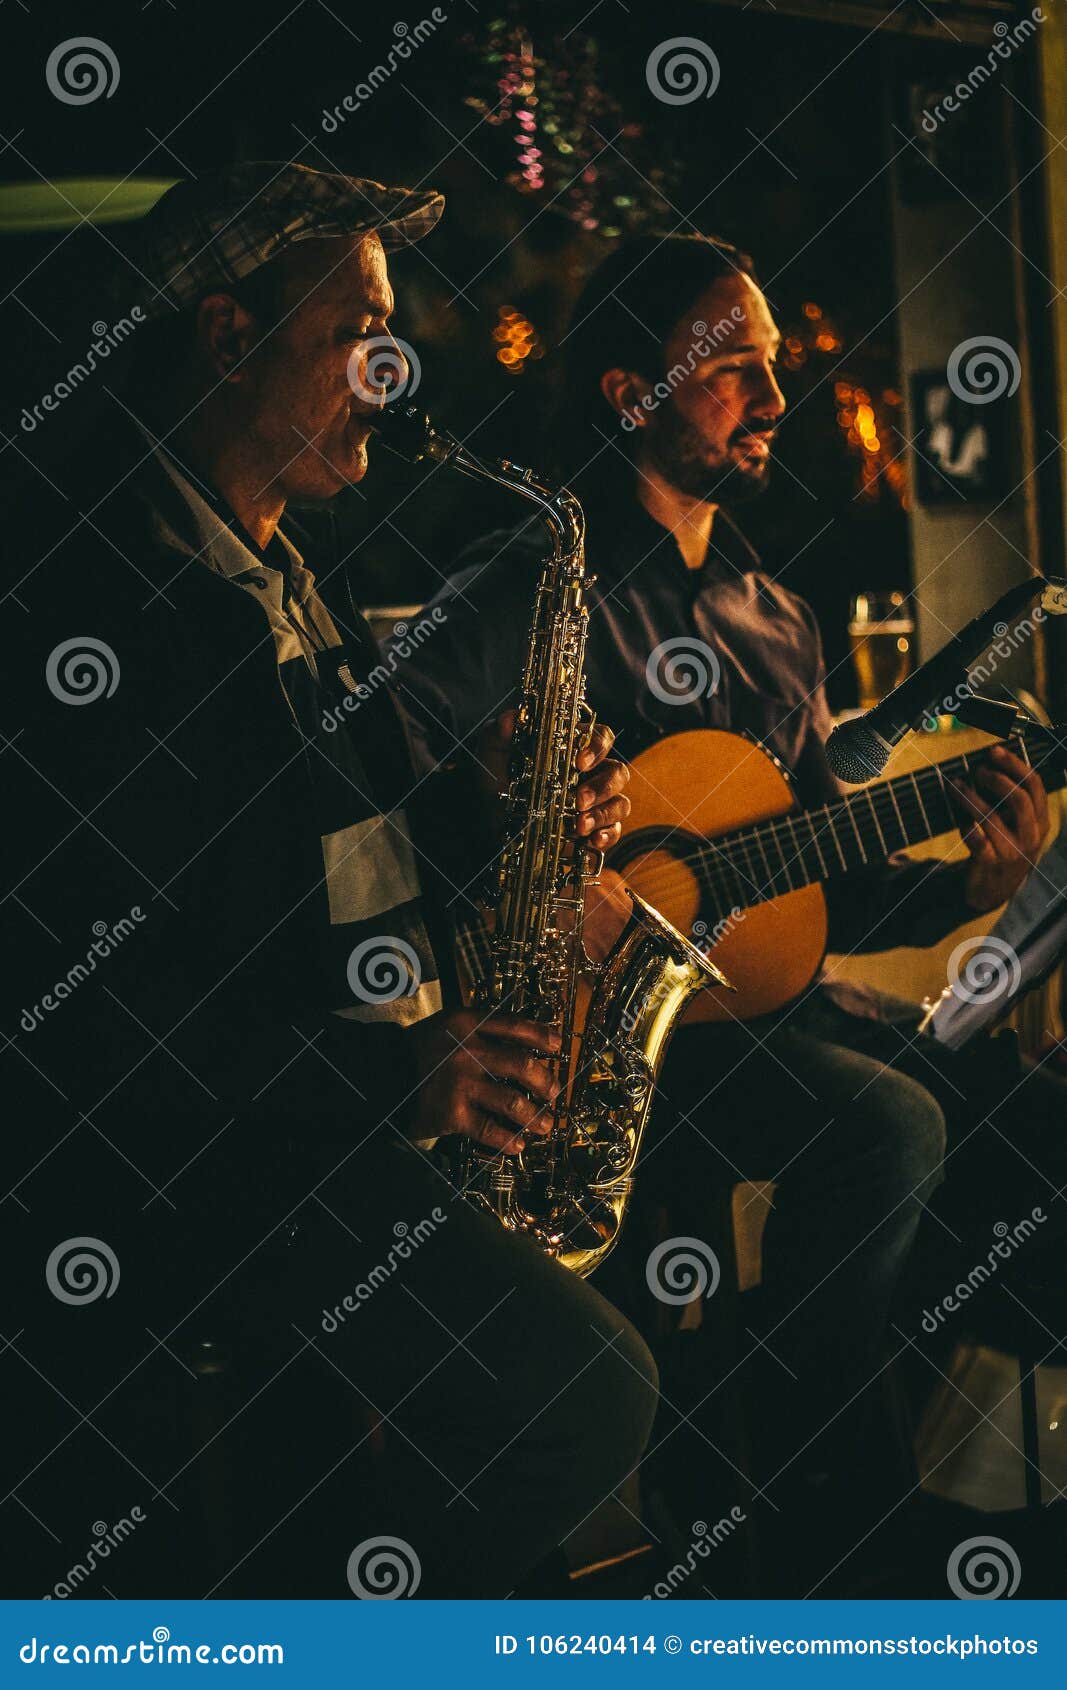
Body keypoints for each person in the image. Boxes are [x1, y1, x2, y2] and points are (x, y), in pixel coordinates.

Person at [0, 164, 658, 1600]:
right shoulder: (108, 616)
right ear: (229, 335)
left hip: (346, 1128)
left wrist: (506, 813)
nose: (390, 369)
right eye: (354, 332)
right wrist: (396, 1079)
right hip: (222, 1181)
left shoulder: (285, 578)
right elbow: (101, 1025)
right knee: (589, 1397)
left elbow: (346, 861)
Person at [388, 233, 1067, 1588]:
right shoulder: (539, 575)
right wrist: (507, 806)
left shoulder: (778, 618)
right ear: (633, 391)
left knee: (1013, 1106)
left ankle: (870, 1484)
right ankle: (837, 1520)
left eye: (774, 370)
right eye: (733, 371)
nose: (772, 399)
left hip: (751, 1009)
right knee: (888, 1122)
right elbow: (384, 753)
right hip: (596, 1040)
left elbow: (809, 896)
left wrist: (970, 878)